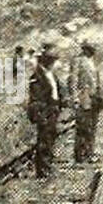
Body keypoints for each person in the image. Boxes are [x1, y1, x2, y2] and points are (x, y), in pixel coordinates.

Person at [27, 47, 62, 179]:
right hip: (45, 111)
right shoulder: (37, 76)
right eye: (52, 60)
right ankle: (43, 170)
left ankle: (47, 166)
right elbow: (36, 97)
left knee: (50, 138)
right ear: (46, 61)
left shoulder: (50, 74)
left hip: (53, 109)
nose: (53, 63)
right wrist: (41, 115)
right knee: (44, 140)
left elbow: (57, 90)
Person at [72, 42, 103, 163]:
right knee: (83, 127)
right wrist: (75, 97)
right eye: (89, 49)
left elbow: (96, 80)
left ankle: (89, 152)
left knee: (91, 127)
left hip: (93, 97)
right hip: (83, 97)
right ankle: (80, 155)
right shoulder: (78, 61)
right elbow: (73, 80)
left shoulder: (92, 62)